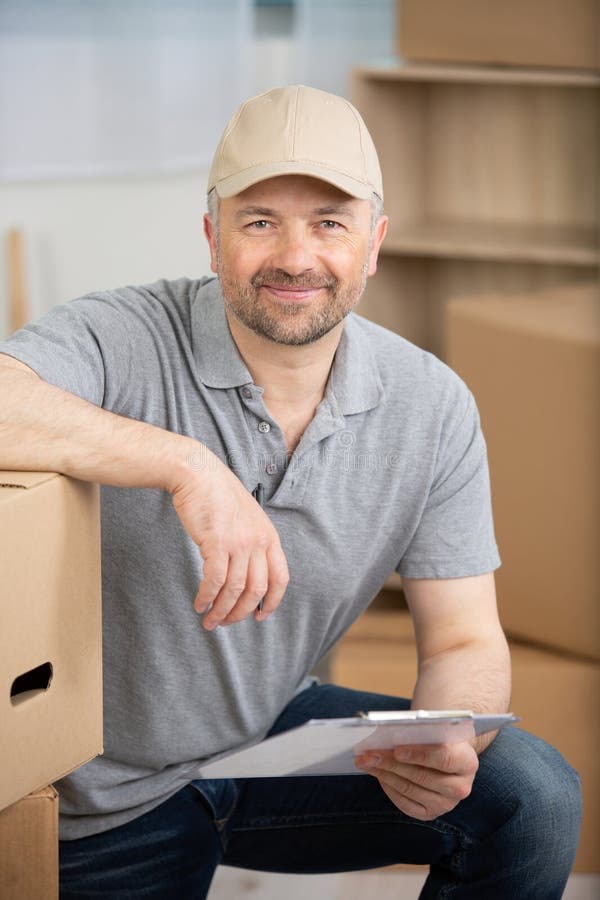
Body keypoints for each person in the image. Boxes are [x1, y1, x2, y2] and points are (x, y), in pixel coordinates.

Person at [0, 85, 581, 899]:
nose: (296, 256)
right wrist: (187, 465)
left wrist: (445, 740)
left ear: (373, 244)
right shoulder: (122, 337)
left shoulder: (433, 405)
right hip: (103, 800)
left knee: (530, 793)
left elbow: (462, 643)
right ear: (213, 237)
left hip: (266, 743)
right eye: (261, 220)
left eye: (330, 222)